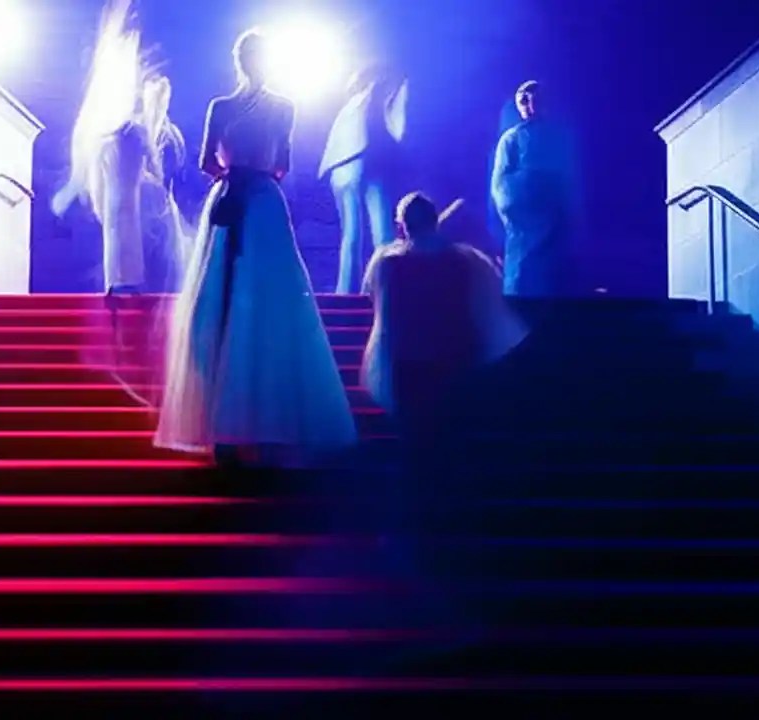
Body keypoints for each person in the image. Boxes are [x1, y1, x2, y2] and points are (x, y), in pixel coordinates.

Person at [154, 29, 358, 467]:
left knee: (250, 301)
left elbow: (214, 161)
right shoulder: (264, 107)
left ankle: (244, 425)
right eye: (250, 55)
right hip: (252, 198)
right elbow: (278, 163)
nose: (251, 62)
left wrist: (236, 173)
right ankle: (249, 424)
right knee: (239, 300)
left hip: (243, 197)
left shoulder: (235, 107)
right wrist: (249, 175)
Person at [361, 192, 528, 445]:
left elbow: (380, 314)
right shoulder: (467, 260)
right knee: (454, 443)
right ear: (435, 219)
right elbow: (487, 310)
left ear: (401, 225)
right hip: (455, 361)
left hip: (409, 365)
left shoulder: (388, 264)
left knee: (415, 444)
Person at [51, 0, 189, 295]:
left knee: (126, 222)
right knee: (122, 221)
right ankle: (123, 280)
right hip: (120, 155)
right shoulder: (117, 74)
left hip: (123, 159)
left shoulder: (127, 77)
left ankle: (126, 280)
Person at [319, 64, 409, 294]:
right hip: (365, 163)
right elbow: (397, 127)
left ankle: (345, 291)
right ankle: (387, 290)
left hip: (338, 171)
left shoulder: (348, 107)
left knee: (350, 235)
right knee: (383, 236)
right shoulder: (377, 92)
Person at [491, 80, 583, 296]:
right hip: (522, 232)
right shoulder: (510, 140)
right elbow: (500, 185)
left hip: (556, 227)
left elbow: (570, 179)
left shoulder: (560, 137)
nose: (530, 104)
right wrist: (531, 185)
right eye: (524, 100)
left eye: (535, 98)